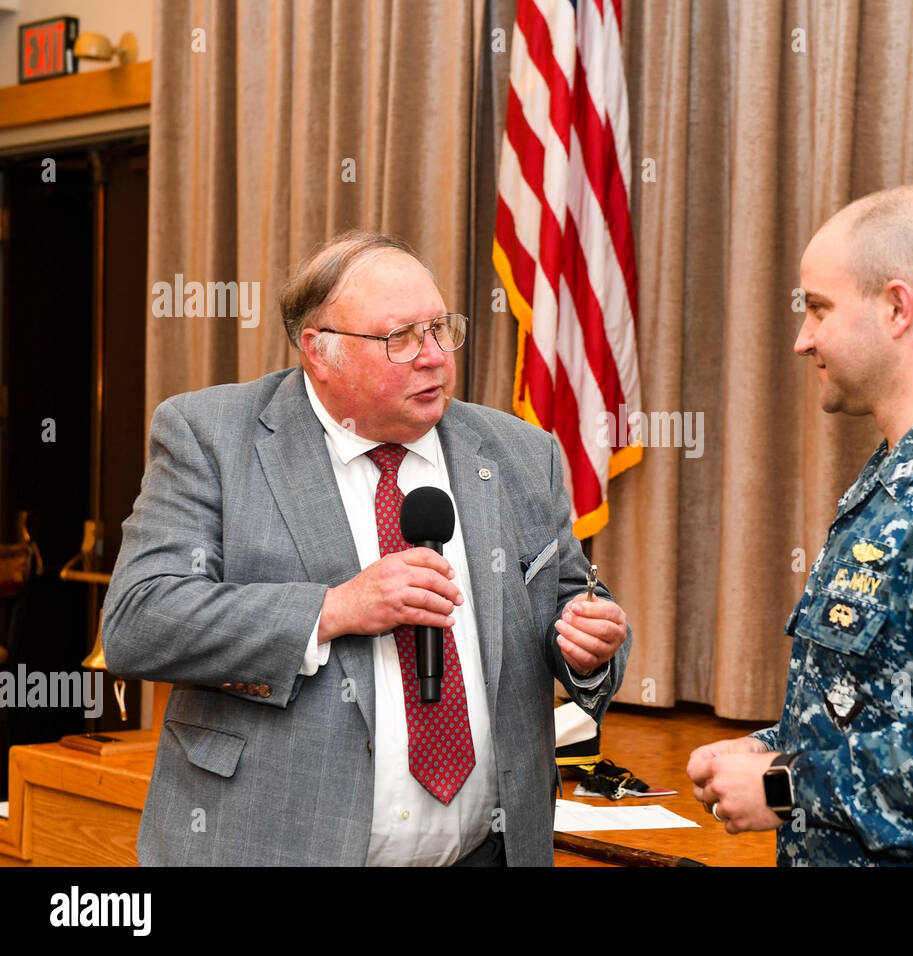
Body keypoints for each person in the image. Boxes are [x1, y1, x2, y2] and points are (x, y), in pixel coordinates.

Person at [101, 232, 630, 866]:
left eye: (440, 328)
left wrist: (591, 648)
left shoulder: (519, 453)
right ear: (319, 351)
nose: (434, 356)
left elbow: (573, 610)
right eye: (400, 338)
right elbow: (139, 621)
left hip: (487, 854)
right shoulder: (212, 438)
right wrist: (333, 609)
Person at [687, 185, 913, 865]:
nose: (802, 339)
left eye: (818, 308)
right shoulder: (903, 473)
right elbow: (885, 699)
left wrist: (787, 784)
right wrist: (772, 745)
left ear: (898, 308)